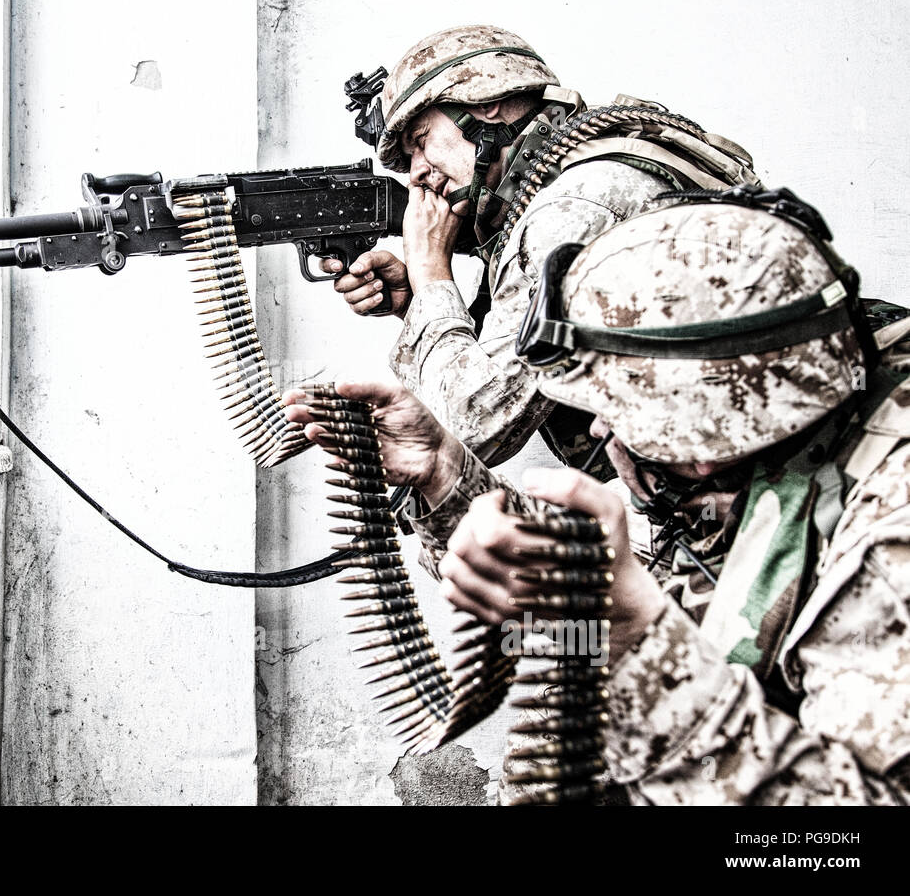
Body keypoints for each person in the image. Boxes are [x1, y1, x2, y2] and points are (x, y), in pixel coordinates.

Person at [287, 188, 910, 803]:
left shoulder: (891, 530)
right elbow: (624, 602)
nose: (602, 431)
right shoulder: (761, 464)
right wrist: (442, 472)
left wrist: (638, 647)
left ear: (704, 419)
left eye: (619, 409)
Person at [328, 25, 758, 473]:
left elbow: (473, 426)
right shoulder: (583, 174)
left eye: (421, 142)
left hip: (737, 503)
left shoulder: (571, 208)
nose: (416, 174)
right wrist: (419, 303)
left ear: (485, 104)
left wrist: (431, 272)